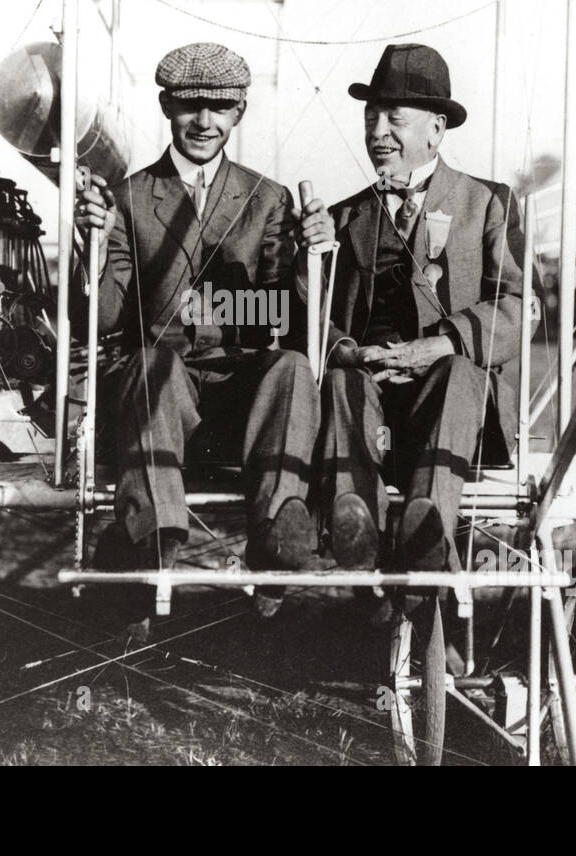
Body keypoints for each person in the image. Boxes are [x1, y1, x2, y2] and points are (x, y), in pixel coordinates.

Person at [72, 42, 333, 627]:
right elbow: (107, 319)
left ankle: (277, 531)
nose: (204, 121)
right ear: (167, 106)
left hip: (238, 398)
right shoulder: (127, 198)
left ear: (240, 112)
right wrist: (93, 247)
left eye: (220, 107)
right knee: (152, 362)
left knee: (291, 367)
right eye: (190, 105)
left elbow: (284, 321)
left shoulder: (267, 199)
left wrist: (309, 259)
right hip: (160, 400)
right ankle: (153, 534)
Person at [316, 43, 528, 578]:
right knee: (340, 381)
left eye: (394, 118)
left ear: (436, 129)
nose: (377, 133)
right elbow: (314, 314)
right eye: (371, 117)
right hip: (368, 396)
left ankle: (426, 527)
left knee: (457, 372)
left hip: (451, 404)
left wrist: (444, 343)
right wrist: (350, 350)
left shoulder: (488, 203)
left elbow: (518, 304)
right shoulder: (344, 217)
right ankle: (358, 530)